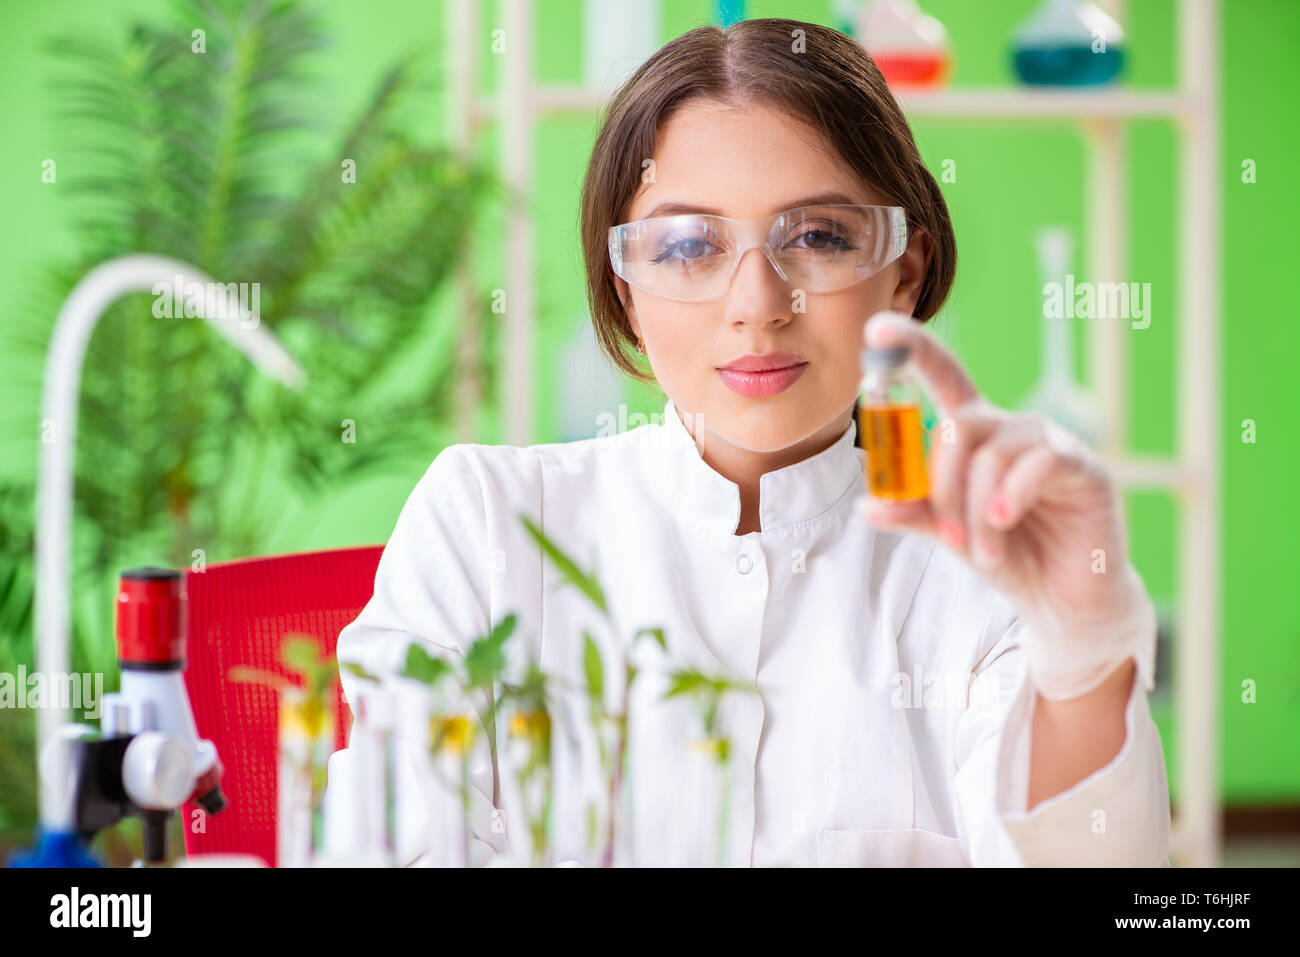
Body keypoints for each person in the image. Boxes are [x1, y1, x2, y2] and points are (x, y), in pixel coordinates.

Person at [336, 17, 1170, 867]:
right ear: (627, 290)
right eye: (690, 245)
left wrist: (1084, 659)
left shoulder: (987, 572)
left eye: (816, 237)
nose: (757, 304)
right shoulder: (485, 523)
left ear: (904, 272)